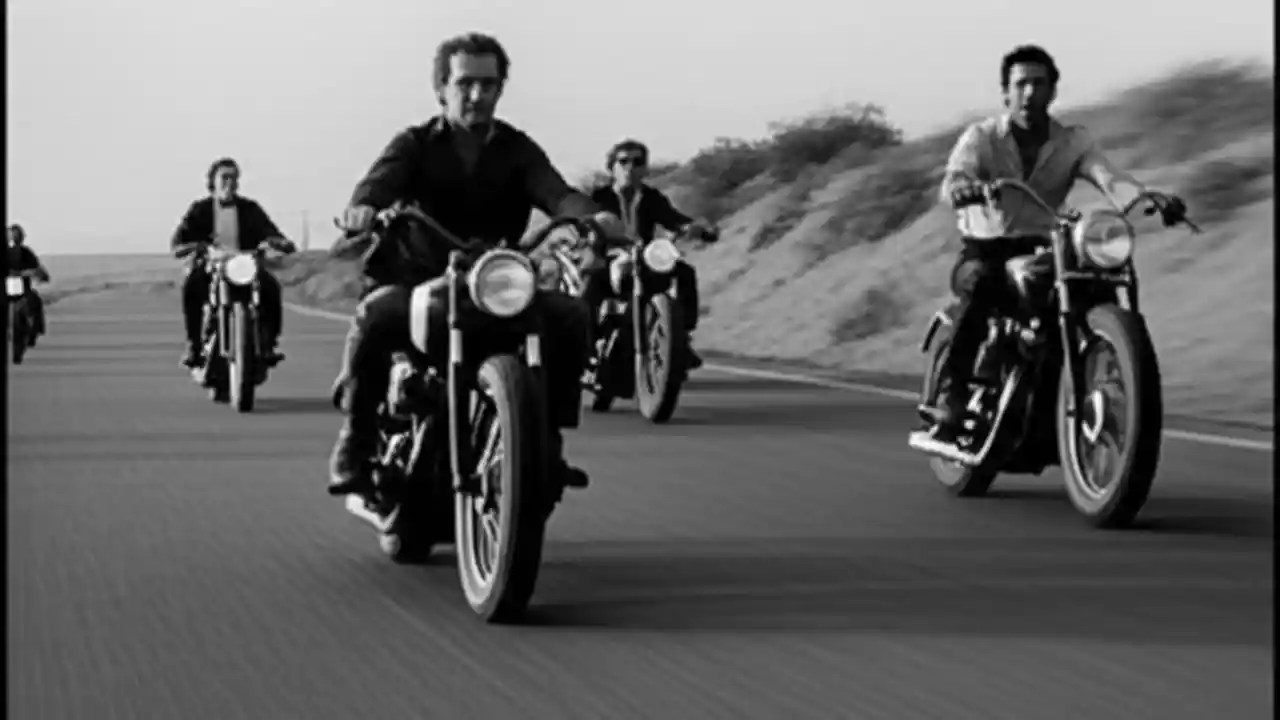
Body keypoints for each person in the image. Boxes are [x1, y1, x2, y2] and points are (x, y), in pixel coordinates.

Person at [327, 32, 628, 498]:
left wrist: (593, 217)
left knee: (569, 315)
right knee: (377, 314)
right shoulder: (415, 144)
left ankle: (546, 441)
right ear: (442, 89)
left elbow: (555, 192)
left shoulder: (516, 148)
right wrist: (361, 210)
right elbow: (377, 186)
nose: (476, 95)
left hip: (493, 281)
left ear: (500, 89)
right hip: (419, 278)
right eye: (465, 83)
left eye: (488, 85)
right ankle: (355, 442)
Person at [913, 44, 1187, 453]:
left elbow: (1107, 176)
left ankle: (1092, 380)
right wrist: (963, 188)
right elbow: (953, 179)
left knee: (1094, 285)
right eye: (1020, 84)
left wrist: (1147, 199)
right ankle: (950, 397)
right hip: (986, 248)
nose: (1029, 93)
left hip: (1045, 247)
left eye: (1039, 84)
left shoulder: (1073, 141)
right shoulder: (982, 138)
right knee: (982, 284)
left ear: (1053, 91)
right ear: (1006, 92)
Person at [583, 139, 718, 369]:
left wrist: (696, 229)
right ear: (612, 167)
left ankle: (681, 339)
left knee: (684, 273)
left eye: (637, 162)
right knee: (590, 284)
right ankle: (584, 345)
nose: (630, 168)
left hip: (643, 257)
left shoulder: (651, 197)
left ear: (645, 169)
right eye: (623, 161)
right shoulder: (598, 198)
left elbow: (673, 219)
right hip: (607, 257)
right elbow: (580, 221)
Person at [169, 158, 296, 368]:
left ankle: (268, 345)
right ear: (212, 181)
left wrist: (279, 242)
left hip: (244, 264)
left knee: (270, 288)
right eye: (225, 177)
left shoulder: (250, 209)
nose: (230, 182)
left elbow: (269, 231)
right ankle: (194, 345)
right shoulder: (200, 210)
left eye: (234, 178)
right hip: (212, 264)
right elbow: (179, 241)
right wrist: (190, 248)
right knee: (192, 286)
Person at [6, 224, 51, 345]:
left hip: (23, 290)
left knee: (36, 303)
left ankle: (34, 332)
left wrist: (42, 275)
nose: (14, 238)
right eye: (12, 236)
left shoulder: (26, 253)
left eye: (17, 236)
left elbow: (38, 268)